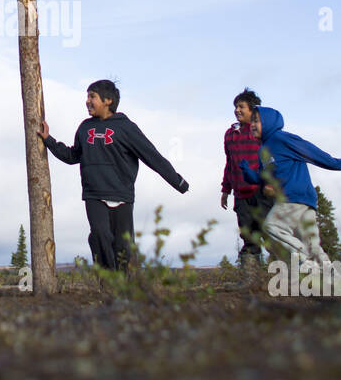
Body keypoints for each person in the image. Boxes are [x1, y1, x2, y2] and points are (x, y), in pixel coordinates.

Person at [38, 80, 189, 273]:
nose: (87, 101)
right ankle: (108, 283)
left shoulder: (126, 128)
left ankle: (123, 287)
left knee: (123, 246)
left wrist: (178, 182)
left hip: (122, 194)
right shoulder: (85, 128)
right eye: (87, 96)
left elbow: (152, 156)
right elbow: (72, 156)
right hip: (94, 194)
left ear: (108, 100)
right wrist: (49, 141)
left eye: (92, 96)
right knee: (100, 236)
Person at [238, 106, 341, 269]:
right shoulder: (263, 150)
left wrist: (337, 163)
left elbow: (311, 151)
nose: (253, 125)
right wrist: (247, 173)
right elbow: (263, 178)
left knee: (272, 227)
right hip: (301, 199)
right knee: (312, 244)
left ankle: (305, 262)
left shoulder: (281, 139)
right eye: (252, 122)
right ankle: (331, 278)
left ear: (269, 121)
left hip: (293, 196)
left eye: (257, 121)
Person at [220, 88, 274, 266]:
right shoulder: (230, 134)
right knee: (249, 236)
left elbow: (272, 159)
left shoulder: (261, 131)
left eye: (241, 106)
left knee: (270, 233)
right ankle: (251, 278)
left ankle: (286, 272)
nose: (237, 110)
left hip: (262, 191)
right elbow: (229, 163)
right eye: (235, 106)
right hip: (241, 194)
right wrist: (225, 190)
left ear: (252, 109)